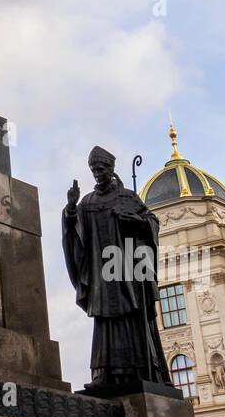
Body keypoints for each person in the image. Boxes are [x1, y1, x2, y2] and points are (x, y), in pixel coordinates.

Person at [61, 145, 170, 387]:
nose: (98, 173)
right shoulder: (87, 202)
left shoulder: (128, 197)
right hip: (102, 273)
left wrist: (139, 223)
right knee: (105, 320)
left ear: (111, 169)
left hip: (127, 270)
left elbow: (152, 222)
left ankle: (139, 371)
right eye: (94, 169)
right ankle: (104, 374)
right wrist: (70, 209)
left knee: (131, 316)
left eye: (101, 168)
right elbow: (73, 232)